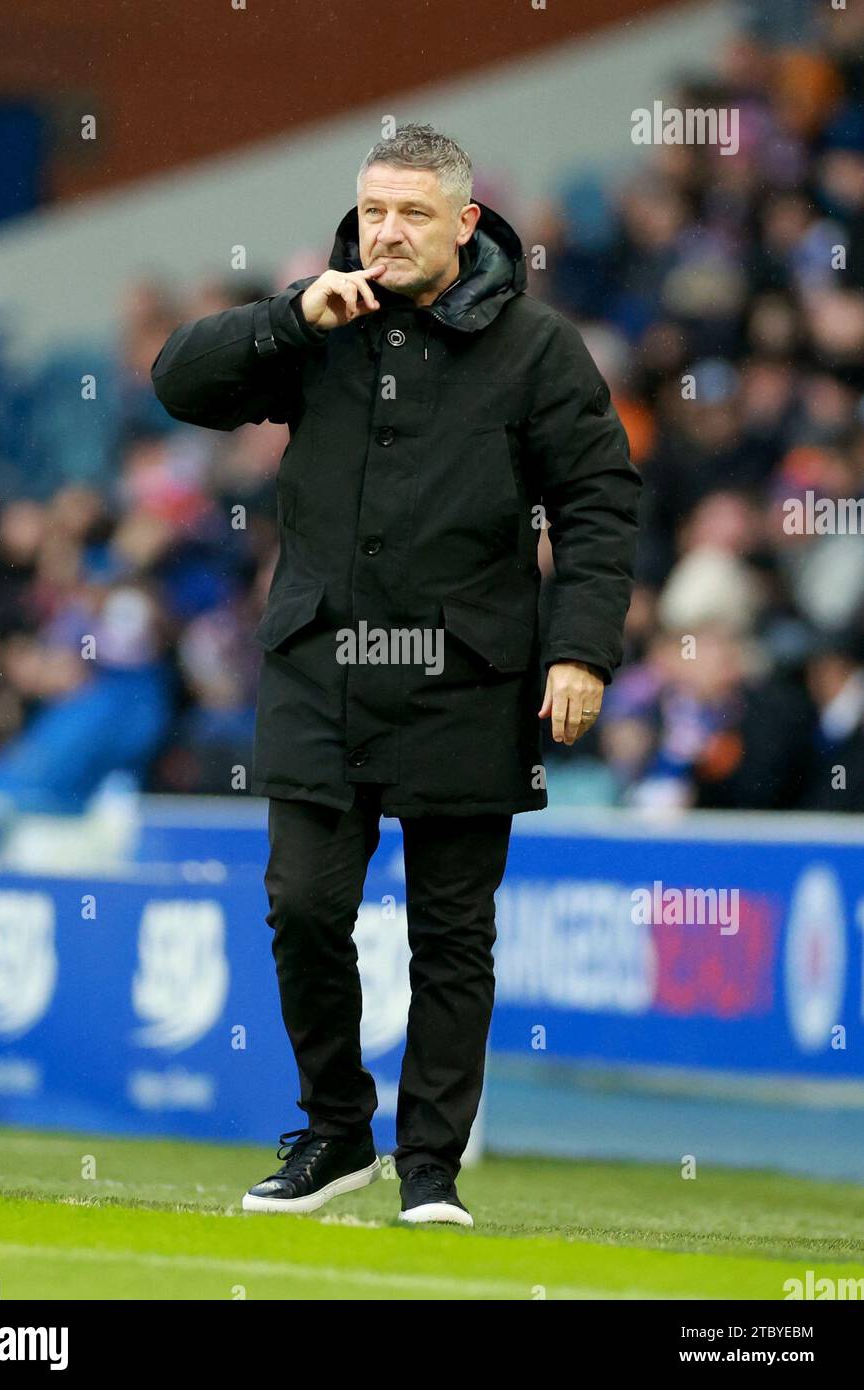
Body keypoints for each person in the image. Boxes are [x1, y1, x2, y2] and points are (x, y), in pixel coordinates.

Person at [151, 124, 641, 1226]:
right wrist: (288, 312)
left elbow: (599, 503)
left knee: (450, 936)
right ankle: (334, 1133)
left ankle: (430, 1169)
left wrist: (578, 647)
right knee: (302, 908)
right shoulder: (319, 321)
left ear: (465, 224)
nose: (387, 231)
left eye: (412, 213)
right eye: (374, 210)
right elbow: (176, 381)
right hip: (319, 668)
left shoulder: (537, 347)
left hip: (468, 679)